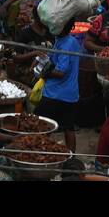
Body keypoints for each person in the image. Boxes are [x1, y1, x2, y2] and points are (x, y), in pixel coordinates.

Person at [39, 16, 84, 152]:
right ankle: (71, 157)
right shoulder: (71, 41)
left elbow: (60, 72)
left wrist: (44, 72)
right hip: (70, 94)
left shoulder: (65, 44)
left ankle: (41, 153)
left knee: (42, 126)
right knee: (68, 127)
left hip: (56, 94)